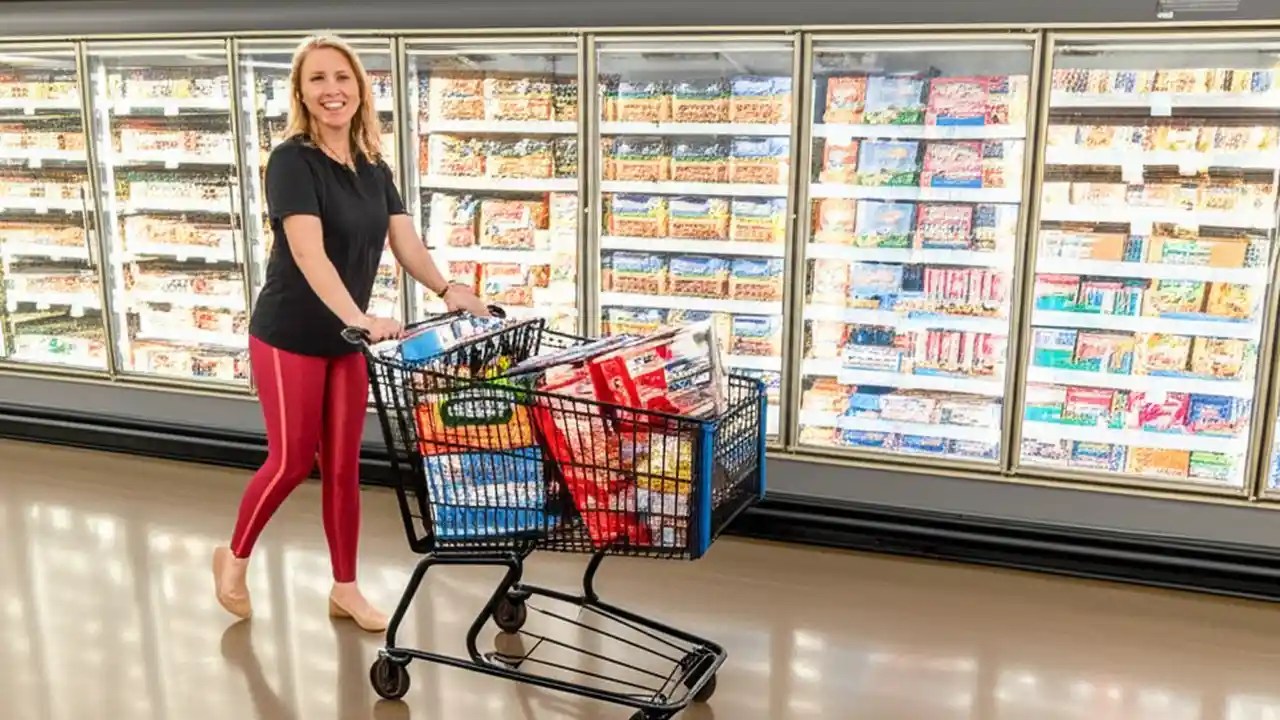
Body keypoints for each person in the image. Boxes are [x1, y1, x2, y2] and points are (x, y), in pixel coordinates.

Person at [211, 34, 490, 632]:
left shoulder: (373, 167)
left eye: (343, 77)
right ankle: (232, 559)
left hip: (347, 339)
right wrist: (358, 317)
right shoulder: (291, 161)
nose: (332, 90)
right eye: (318, 79)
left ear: (361, 89)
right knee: (290, 462)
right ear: (302, 93)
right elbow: (307, 254)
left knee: (343, 467)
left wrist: (448, 289)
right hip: (289, 332)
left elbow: (404, 241)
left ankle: (345, 587)